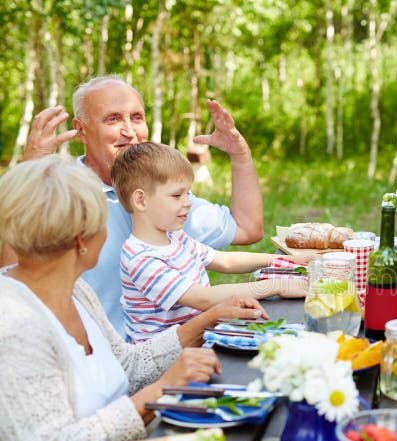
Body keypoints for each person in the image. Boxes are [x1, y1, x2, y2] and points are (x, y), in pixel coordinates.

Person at [0, 155, 269, 441]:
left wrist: (206, 319)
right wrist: (159, 391)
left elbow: (127, 365)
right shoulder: (12, 324)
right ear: (81, 239)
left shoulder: (75, 290)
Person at [1, 74, 265, 336]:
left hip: (180, 354)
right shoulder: (62, 192)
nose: (129, 131)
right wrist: (31, 173)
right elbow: (12, 285)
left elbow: (247, 229)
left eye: (137, 117)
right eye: (113, 119)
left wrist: (240, 155)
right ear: (81, 130)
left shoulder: (163, 192)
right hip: (101, 363)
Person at [113, 142, 313, 342]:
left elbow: (223, 260)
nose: (188, 202)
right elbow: (203, 298)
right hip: (169, 361)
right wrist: (278, 286)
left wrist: (290, 261)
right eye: (177, 195)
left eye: (188, 193)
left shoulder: (175, 237)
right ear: (141, 200)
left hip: (199, 341)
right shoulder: (140, 258)